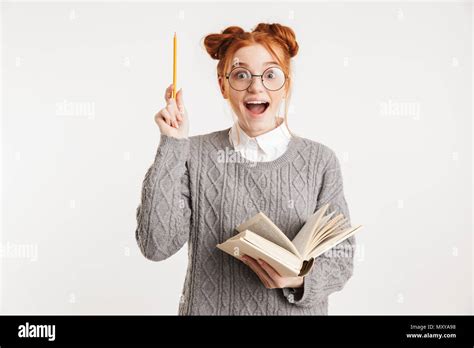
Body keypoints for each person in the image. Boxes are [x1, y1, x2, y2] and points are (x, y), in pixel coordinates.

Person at [135, 23, 356, 315]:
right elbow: (155, 245)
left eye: (270, 75)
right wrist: (172, 145)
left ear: (286, 84)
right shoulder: (193, 154)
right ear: (223, 85)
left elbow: (341, 258)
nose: (256, 86)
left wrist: (299, 280)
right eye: (241, 75)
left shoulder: (320, 160)